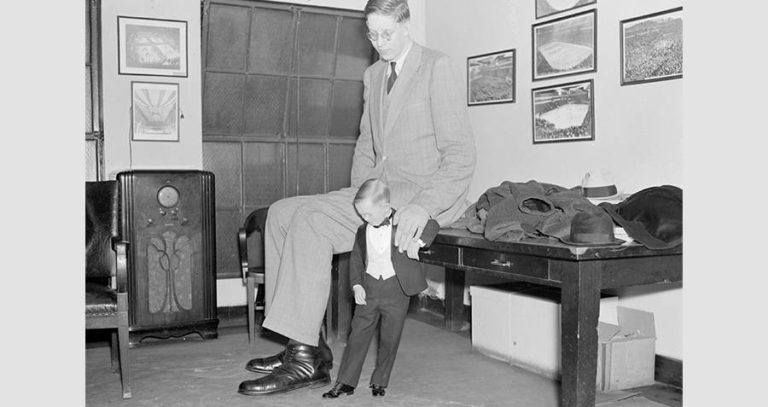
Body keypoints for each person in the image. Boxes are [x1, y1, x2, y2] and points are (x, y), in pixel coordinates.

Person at [238, 0, 476, 396]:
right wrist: (358, 194)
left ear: (406, 24)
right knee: (280, 213)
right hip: (377, 193)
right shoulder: (373, 74)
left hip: (419, 197)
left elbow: (461, 154)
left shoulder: (437, 67)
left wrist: (423, 206)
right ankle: (306, 344)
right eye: (372, 34)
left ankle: (305, 361)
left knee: (311, 221)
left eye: (387, 33)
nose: (379, 42)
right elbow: (367, 145)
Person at [321, 179, 439, 399]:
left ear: (386, 208)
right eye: (361, 214)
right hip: (369, 288)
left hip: (397, 290)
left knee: (389, 338)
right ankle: (345, 382)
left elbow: (433, 225)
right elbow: (356, 260)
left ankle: (380, 381)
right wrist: (357, 285)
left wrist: (418, 243)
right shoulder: (361, 231)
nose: (364, 218)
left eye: (368, 214)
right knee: (357, 336)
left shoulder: (403, 223)